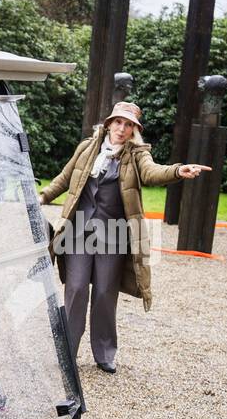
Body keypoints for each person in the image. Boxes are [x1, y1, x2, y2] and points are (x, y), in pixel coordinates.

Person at [40, 101, 209, 373]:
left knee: (106, 292)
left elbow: (153, 173)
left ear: (134, 130)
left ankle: (105, 353)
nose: (122, 128)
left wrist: (178, 170)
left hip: (114, 234)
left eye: (128, 124)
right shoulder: (87, 148)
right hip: (79, 231)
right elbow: (65, 176)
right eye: (118, 122)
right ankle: (67, 351)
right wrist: (44, 196)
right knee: (77, 288)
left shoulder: (137, 154)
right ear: (109, 123)